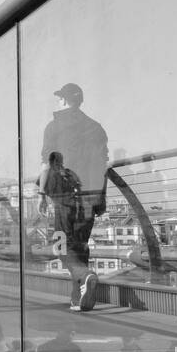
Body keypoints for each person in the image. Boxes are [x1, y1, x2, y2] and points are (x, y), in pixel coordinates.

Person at [39, 84, 109, 312]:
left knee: (61, 246)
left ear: (63, 100)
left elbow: (46, 163)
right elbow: (102, 165)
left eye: (58, 97)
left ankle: (84, 275)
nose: (57, 101)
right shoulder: (96, 128)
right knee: (80, 246)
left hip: (63, 197)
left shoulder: (54, 127)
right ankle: (77, 298)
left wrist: (41, 193)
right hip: (91, 196)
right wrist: (100, 198)